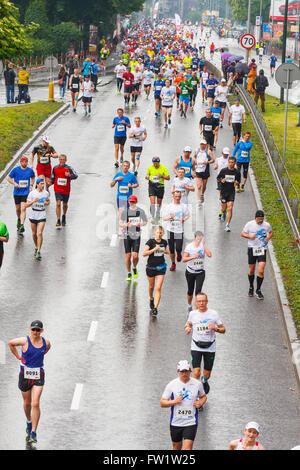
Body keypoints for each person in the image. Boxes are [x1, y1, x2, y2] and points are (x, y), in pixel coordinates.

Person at [8, 320, 51, 444]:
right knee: (27, 403)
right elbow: (11, 343)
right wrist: (18, 356)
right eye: (33, 329)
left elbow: (47, 349)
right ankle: (28, 421)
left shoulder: (46, 342)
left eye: (38, 330)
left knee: (35, 403)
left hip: (38, 375)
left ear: (42, 331)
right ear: (30, 329)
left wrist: (37, 358)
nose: (35, 332)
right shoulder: (24, 341)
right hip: (25, 375)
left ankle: (33, 432)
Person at [160, 360, 207, 451]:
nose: (184, 373)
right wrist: (174, 401)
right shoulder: (172, 385)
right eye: (182, 371)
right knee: (176, 447)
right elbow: (162, 403)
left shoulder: (197, 384)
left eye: (186, 371)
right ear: (178, 371)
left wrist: (200, 403)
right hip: (175, 422)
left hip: (191, 422)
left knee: (188, 448)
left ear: (190, 371)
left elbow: (204, 396)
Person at [185, 292, 226, 394]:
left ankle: (204, 380)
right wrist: (187, 328)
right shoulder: (192, 314)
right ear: (196, 303)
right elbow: (188, 323)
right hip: (196, 346)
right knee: (196, 372)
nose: (201, 303)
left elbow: (223, 329)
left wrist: (215, 328)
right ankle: (197, 394)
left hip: (210, 347)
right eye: (199, 301)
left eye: (203, 301)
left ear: (207, 302)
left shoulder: (213, 314)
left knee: (207, 374)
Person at [241, 210, 273, 299]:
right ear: (255, 218)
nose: (260, 221)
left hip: (262, 248)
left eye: (262, 219)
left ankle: (258, 290)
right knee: (251, 270)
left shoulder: (266, 225)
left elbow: (271, 232)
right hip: (252, 248)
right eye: (259, 219)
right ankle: (251, 287)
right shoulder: (249, 224)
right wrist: (249, 236)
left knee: (261, 270)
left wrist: (267, 238)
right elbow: (242, 233)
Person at [143, 225, 170, 316]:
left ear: (163, 233)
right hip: (151, 267)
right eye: (157, 232)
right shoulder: (150, 242)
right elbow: (144, 253)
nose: (159, 234)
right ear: (154, 233)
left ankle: (155, 308)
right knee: (151, 287)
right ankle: (151, 298)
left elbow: (167, 251)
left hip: (161, 267)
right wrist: (154, 249)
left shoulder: (164, 242)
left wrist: (167, 251)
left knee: (158, 288)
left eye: (161, 233)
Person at [120, 195, 147, 281]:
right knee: (128, 256)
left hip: (136, 235)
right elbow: (120, 223)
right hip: (127, 234)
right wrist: (125, 225)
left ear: (136, 202)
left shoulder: (140, 211)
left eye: (133, 202)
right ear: (128, 202)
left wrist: (141, 224)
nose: (132, 203)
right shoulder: (125, 212)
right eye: (130, 201)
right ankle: (129, 272)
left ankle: (134, 267)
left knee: (135, 256)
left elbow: (145, 221)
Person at [182, 232, 212, 313]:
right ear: (194, 238)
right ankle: (189, 305)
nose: (199, 240)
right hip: (190, 272)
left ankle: (196, 312)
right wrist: (193, 257)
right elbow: (184, 259)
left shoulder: (203, 246)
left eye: (201, 239)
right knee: (190, 291)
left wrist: (204, 244)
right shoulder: (189, 247)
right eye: (198, 238)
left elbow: (209, 254)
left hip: (200, 272)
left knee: (198, 292)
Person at [163, 191, 190, 272]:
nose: (178, 198)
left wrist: (184, 219)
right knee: (171, 249)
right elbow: (164, 218)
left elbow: (188, 215)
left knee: (178, 248)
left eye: (179, 196)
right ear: (173, 197)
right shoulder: (169, 207)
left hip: (179, 230)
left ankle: (178, 253)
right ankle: (173, 263)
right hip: (170, 230)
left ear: (180, 197)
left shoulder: (183, 206)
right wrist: (170, 216)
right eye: (176, 196)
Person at [8, 156, 35, 233]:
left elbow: (33, 177)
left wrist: (31, 185)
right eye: (23, 162)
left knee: (23, 208)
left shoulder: (30, 170)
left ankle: (22, 225)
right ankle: (19, 219)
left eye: (26, 162)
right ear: (20, 162)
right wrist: (14, 183)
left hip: (25, 192)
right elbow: (9, 178)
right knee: (18, 209)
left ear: (27, 162)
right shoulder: (15, 170)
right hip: (17, 192)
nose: (24, 163)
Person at [50, 154, 78, 228]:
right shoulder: (55, 168)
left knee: (64, 204)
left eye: (63, 159)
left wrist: (69, 176)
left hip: (66, 189)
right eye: (60, 159)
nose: (62, 161)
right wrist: (50, 183)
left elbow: (76, 175)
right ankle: (58, 220)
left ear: (65, 160)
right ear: (59, 160)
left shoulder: (69, 168)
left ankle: (64, 215)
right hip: (57, 189)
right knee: (58, 204)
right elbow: (52, 177)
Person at [25, 178, 50, 260]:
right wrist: (33, 201)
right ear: (37, 184)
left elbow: (48, 201)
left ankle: (38, 251)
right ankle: (36, 246)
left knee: (39, 233)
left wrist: (47, 203)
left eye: (43, 184)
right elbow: (26, 205)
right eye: (41, 184)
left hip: (42, 214)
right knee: (33, 234)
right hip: (33, 214)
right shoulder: (32, 193)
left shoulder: (46, 193)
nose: (43, 185)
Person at [217, 156, 241, 232]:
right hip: (224, 192)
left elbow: (238, 181)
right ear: (228, 162)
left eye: (232, 162)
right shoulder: (223, 171)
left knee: (230, 208)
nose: (230, 164)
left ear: (235, 163)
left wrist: (237, 183)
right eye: (229, 162)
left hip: (231, 192)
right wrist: (222, 180)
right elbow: (218, 178)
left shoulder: (237, 172)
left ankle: (227, 225)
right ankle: (224, 213)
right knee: (224, 209)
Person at [146, 157, 170, 224]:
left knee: (158, 204)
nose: (155, 164)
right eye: (154, 162)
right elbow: (147, 175)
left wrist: (161, 176)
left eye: (156, 162)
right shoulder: (150, 168)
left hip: (160, 187)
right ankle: (153, 217)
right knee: (152, 203)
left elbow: (168, 178)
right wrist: (147, 177)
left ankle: (158, 213)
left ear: (159, 162)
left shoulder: (163, 168)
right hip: (152, 186)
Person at [192, 139, 215, 204]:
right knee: (199, 186)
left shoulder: (208, 151)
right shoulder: (197, 150)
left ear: (206, 145)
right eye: (201, 144)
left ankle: (202, 194)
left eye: (203, 144)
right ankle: (199, 200)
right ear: (200, 144)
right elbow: (193, 157)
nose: (202, 145)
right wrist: (195, 160)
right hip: (198, 170)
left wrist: (207, 162)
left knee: (204, 186)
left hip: (205, 171)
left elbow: (213, 160)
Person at [214, 147, 230, 219]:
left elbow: (235, 168)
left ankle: (223, 209)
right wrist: (215, 167)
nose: (226, 155)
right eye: (224, 154)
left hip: (228, 179)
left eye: (227, 154)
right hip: (220, 178)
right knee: (221, 196)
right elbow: (216, 166)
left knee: (226, 195)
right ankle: (222, 210)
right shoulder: (218, 159)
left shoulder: (230, 160)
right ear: (222, 153)